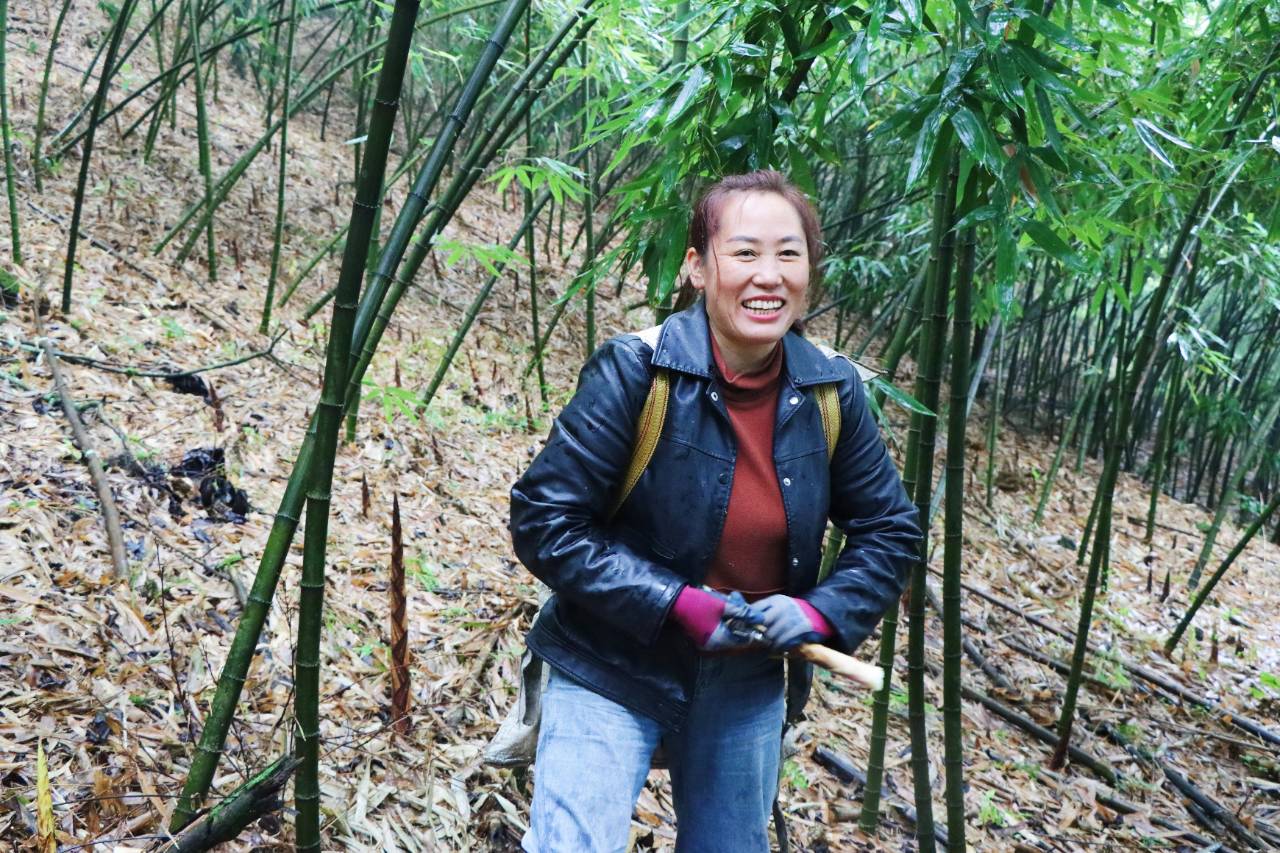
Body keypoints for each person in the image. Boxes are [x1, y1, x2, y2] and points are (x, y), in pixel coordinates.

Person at [509, 170, 920, 852]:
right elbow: (544, 520)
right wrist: (675, 601)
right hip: (611, 657)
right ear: (699, 266)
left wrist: (821, 610)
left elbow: (889, 528)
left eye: (789, 254)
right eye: (745, 252)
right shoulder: (636, 371)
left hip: (747, 675)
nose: (769, 275)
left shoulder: (832, 387)